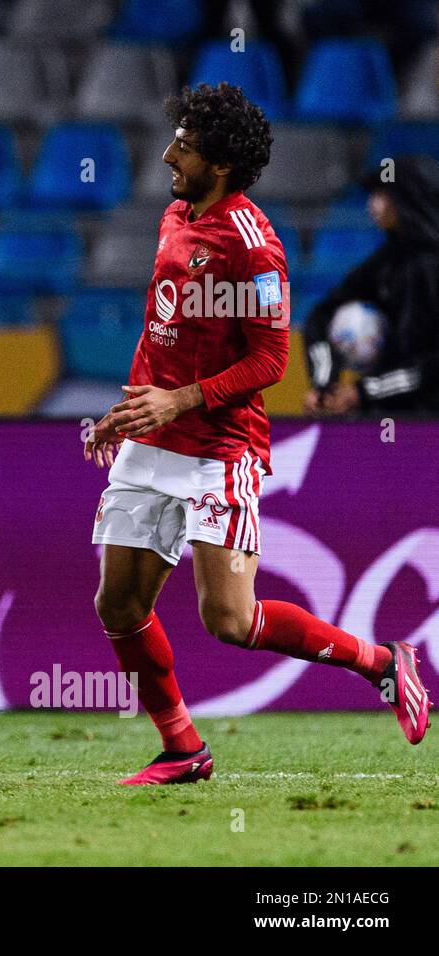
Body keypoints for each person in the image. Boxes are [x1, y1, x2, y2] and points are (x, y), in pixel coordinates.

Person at [84, 84, 430, 786]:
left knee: (229, 621)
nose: (167, 154)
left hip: (218, 449)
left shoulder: (256, 248)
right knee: (117, 603)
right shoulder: (174, 217)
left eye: (183, 144)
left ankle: (384, 663)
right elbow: (163, 333)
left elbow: (271, 360)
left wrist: (179, 401)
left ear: (221, 162)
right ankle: (182, 747)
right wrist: (128, 412)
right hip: (154, 442)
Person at [303, 155, 439, 415]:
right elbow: (321, 315)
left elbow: (432, 365)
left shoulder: (430, 269)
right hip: (381, 419)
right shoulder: (385, 262)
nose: (371, 205)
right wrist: (325, 385)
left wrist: (363, 392)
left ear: (406, 198)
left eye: (381, 194)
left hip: (428, 424)